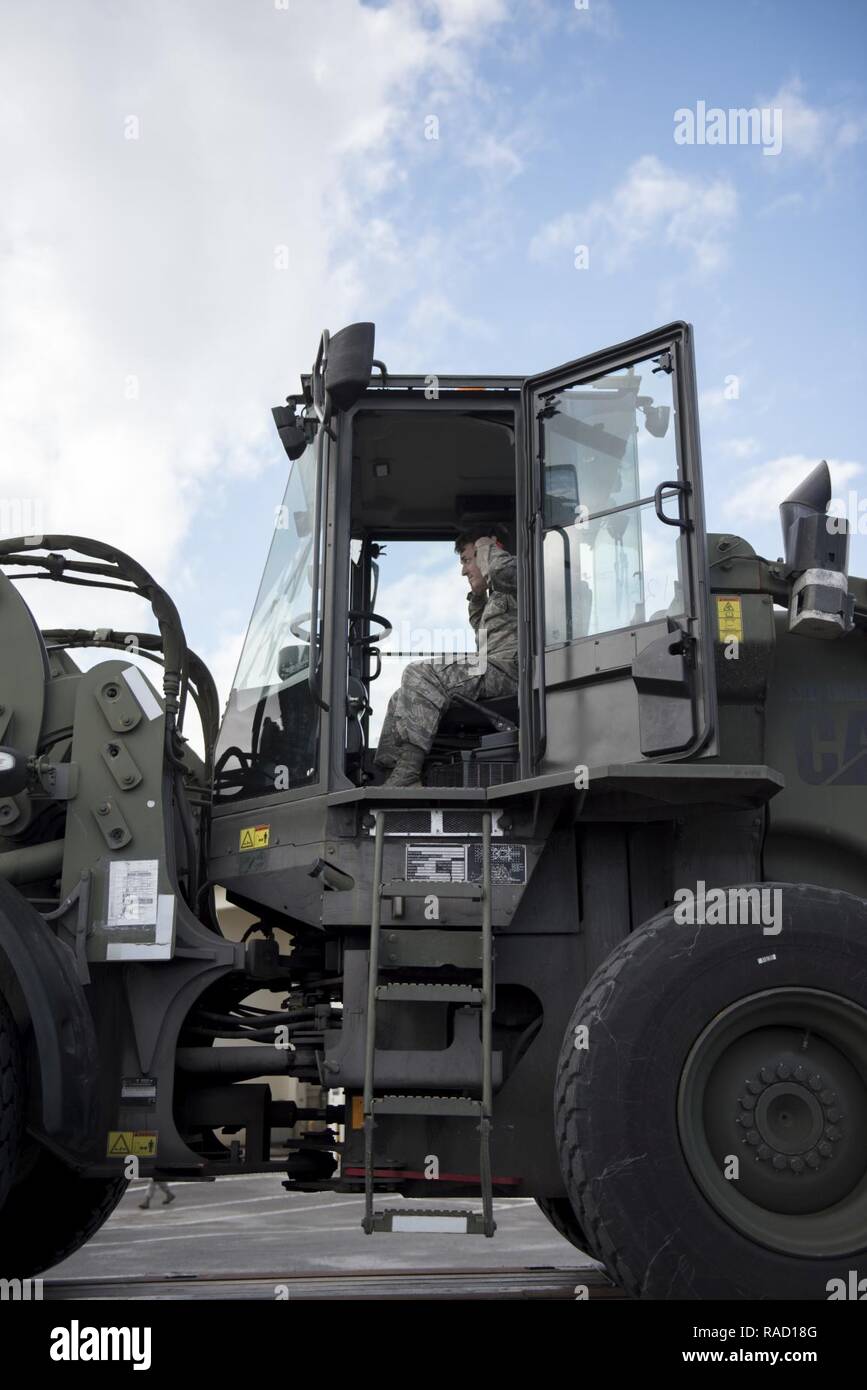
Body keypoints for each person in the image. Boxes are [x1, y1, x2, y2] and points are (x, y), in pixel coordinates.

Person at [374, 525, 518, 788]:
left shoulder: (519, 574)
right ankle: (388, 771)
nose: (463, 570)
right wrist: (477, 597)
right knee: (402, 694)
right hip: (493, 668)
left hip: (510, 672)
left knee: (419, 674)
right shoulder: (498, 594)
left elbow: (502, 572)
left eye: (466, 560)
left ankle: (408, 774)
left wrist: (487, 545)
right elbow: (484, 633)